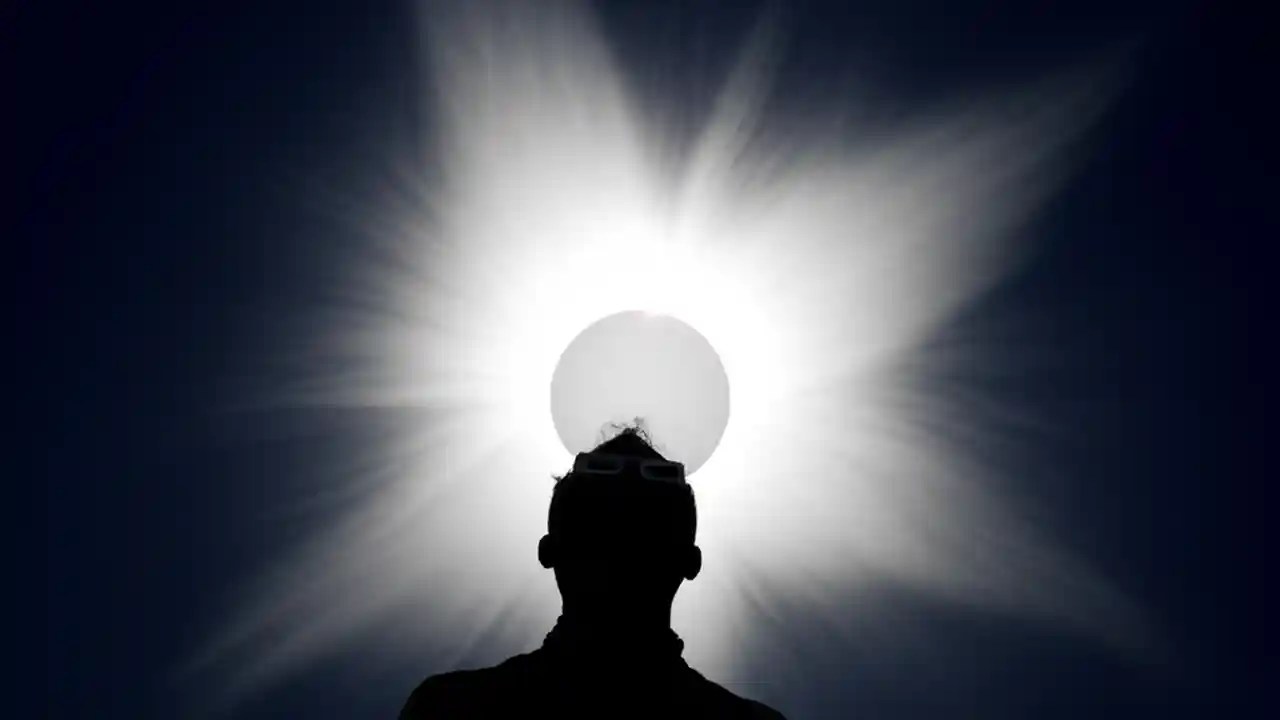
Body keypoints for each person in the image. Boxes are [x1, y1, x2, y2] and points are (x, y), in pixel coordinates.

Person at [399, 426, 786, 719]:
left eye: (646, 527)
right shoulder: (447, 707)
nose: (623, 541)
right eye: (599, 524)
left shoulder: (454, 706)